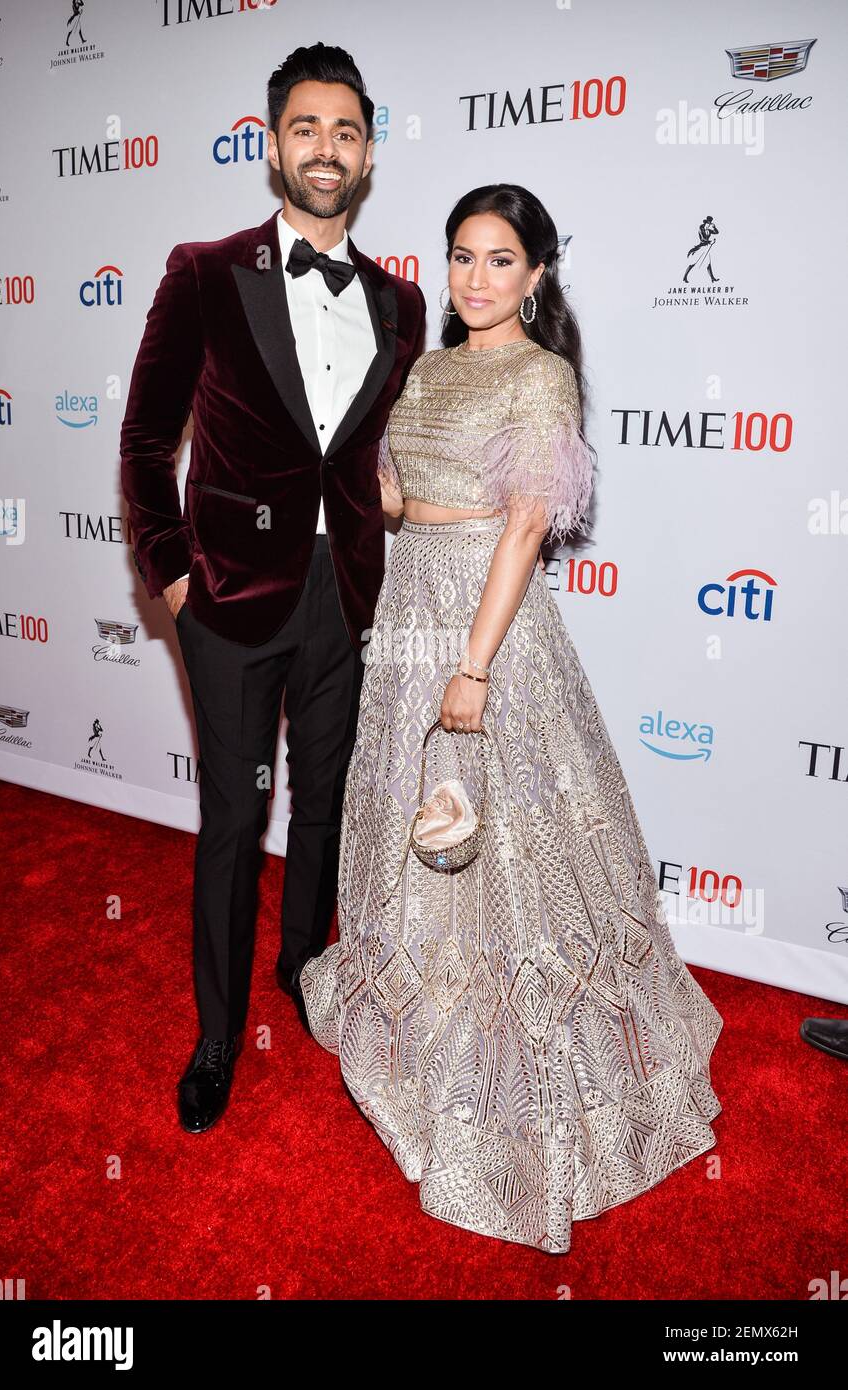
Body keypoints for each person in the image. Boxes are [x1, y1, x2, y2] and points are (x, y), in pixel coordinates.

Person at [299, 184, 724, 1255]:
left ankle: (528, 1054)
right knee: (416, 817)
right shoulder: (426, 369)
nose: (474, 278)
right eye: (459, 257)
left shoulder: (540, 380)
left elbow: (526, 523)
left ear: (536, 276)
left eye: (498, 260)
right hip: (409, 599)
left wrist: (474, 669)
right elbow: (394, 500)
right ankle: (421, 1012)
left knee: (505, 833)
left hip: (487, 622)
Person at [119, 43, 426, 1133]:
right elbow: (148, 437)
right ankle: (212, 1035)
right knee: (231, 817)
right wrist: (168, 574)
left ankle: (306, 971)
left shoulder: (400, 302)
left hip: (341, 595)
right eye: (306, 129)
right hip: (230, 598)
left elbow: (376, 451)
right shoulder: (205, 271)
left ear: (368, 151)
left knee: (327, 804)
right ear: (270, 145)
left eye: (345, 131)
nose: (325, 149)